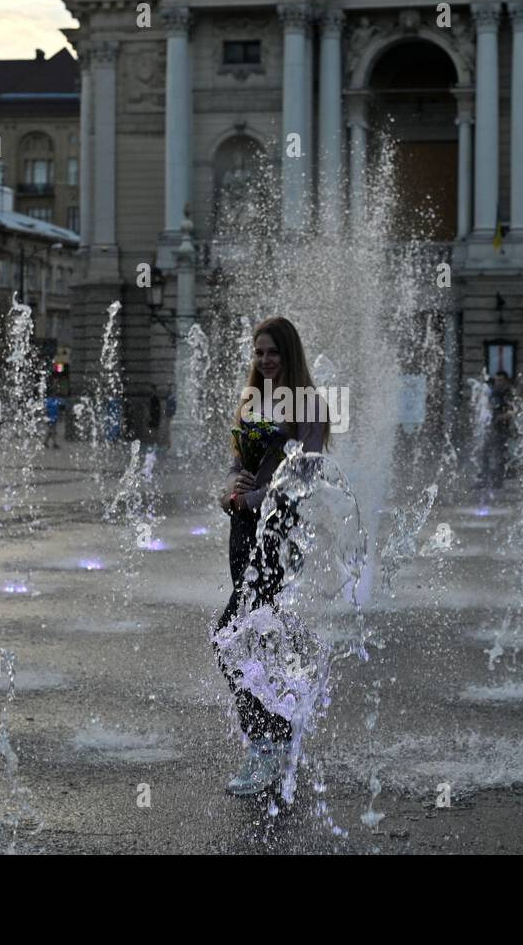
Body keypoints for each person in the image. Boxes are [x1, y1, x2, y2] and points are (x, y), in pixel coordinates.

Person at [215, 316, 330, 798]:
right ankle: (276, 736)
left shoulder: (311, 407)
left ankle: (266, 743)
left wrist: (255, 498)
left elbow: (303, 479)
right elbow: (238, 464)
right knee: (255, 634)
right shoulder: (251, 402)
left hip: (277, 534)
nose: (264, 360)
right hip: (243, 531)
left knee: (233, 635)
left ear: (290, 353)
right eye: (258, 352)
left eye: (273, 352)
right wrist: (230, 491)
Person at [482, 371, 513, 489]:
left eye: (500, 380)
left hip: (504, 429)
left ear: (505, 381)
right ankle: (485, 477)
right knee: (486, 451)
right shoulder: (494, 393)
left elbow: (513, 411)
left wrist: (501, 417)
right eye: (496, 380)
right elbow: (489, 406)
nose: (498, 382)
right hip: (493, 427)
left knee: (500, 454)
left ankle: (498, 480)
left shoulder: (509, 393)